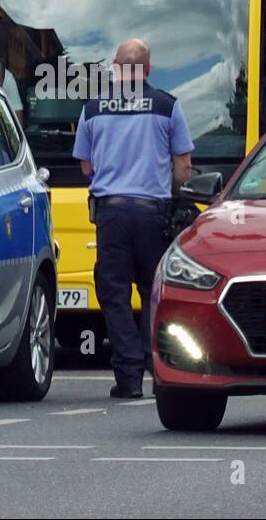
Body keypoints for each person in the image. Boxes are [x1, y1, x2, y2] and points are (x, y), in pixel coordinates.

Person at [72, 38, 194, 398]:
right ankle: (157, 369)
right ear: (149, 70)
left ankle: (127, 379)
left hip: (111, 213)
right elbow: (184, 167)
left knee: (114, 294)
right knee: (154, 292)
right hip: (153, 214)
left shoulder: (93, 109)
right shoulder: (167, 106)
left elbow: (85, 165)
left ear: (114, 65)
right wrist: (169, 191)